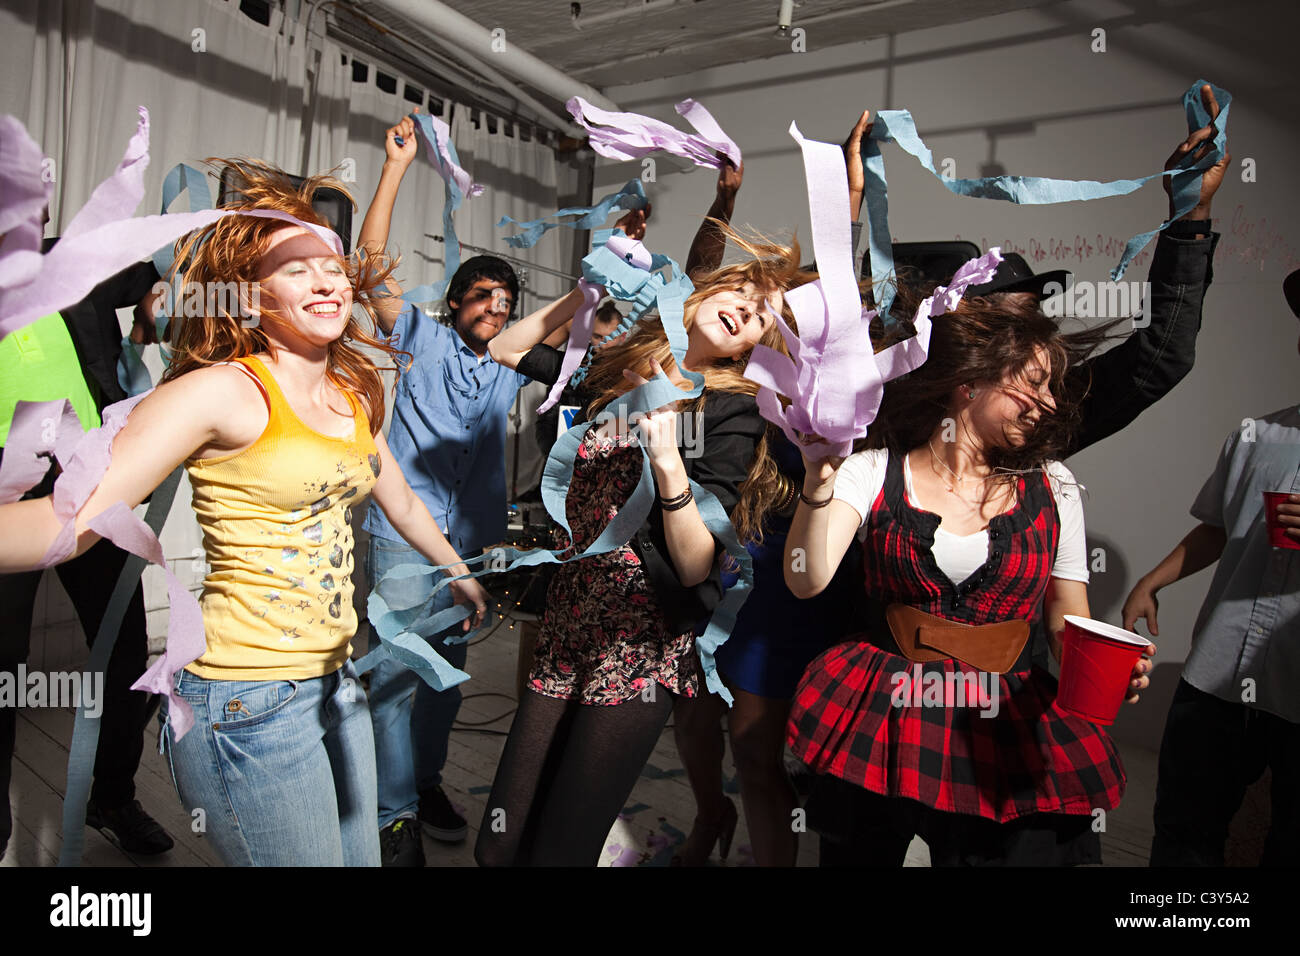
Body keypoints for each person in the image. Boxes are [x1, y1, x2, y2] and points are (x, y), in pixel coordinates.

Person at [0, 160, 490, 866]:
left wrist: (455, 569)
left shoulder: (350, 392)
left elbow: (401, 496)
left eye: (332, 264)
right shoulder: (219, 392)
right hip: (245, 706)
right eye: (296, 270)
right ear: (251, 295)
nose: (326, 281)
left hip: (335, 682)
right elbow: (67, 521)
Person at [473, 224, 810, 866]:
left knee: (560, 850)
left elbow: (695, 566)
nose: (747, 307)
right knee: (499, 843)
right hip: (571, 622)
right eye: (744, 289)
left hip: (639, 645)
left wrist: (668, 463)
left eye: (764, 315)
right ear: (706, 291)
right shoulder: (619, 365)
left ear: (758, 345)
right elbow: (508, 348)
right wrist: (582, 293)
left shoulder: (731, 414)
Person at [782, 286, 1154, 866]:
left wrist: (1101, 664)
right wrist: (817, 484)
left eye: (1052, 387)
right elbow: (806, 578)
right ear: (969, 381)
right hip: (889, 705)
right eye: (1031, 382)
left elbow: (1068, 618)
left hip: (1005, 713)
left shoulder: (1053, 485)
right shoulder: (873, 471)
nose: (1048, 402)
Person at [354, 113, 577, 865]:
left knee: (446, 683)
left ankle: (423, 783)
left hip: (472, 546)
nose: (497, 306)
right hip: (401, 540)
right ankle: (390, 816)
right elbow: (373, 261)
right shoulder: (415, 334)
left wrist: (610, 268)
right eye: (483, 295)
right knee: (393, 678)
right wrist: (395, 169)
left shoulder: (506, 360)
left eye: (505, 299)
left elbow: (558, 315)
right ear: (455, 303)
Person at [1122, 266, 1300, 867]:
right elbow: (1220, 527)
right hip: (1216, 675)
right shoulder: (1260, 436)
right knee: (1184, 830)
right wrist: (1153, 579)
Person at [0, 244, 172, 858]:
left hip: (86, 480)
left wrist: (158, 309)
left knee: (129, 655)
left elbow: (163, 268)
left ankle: (113, 796)